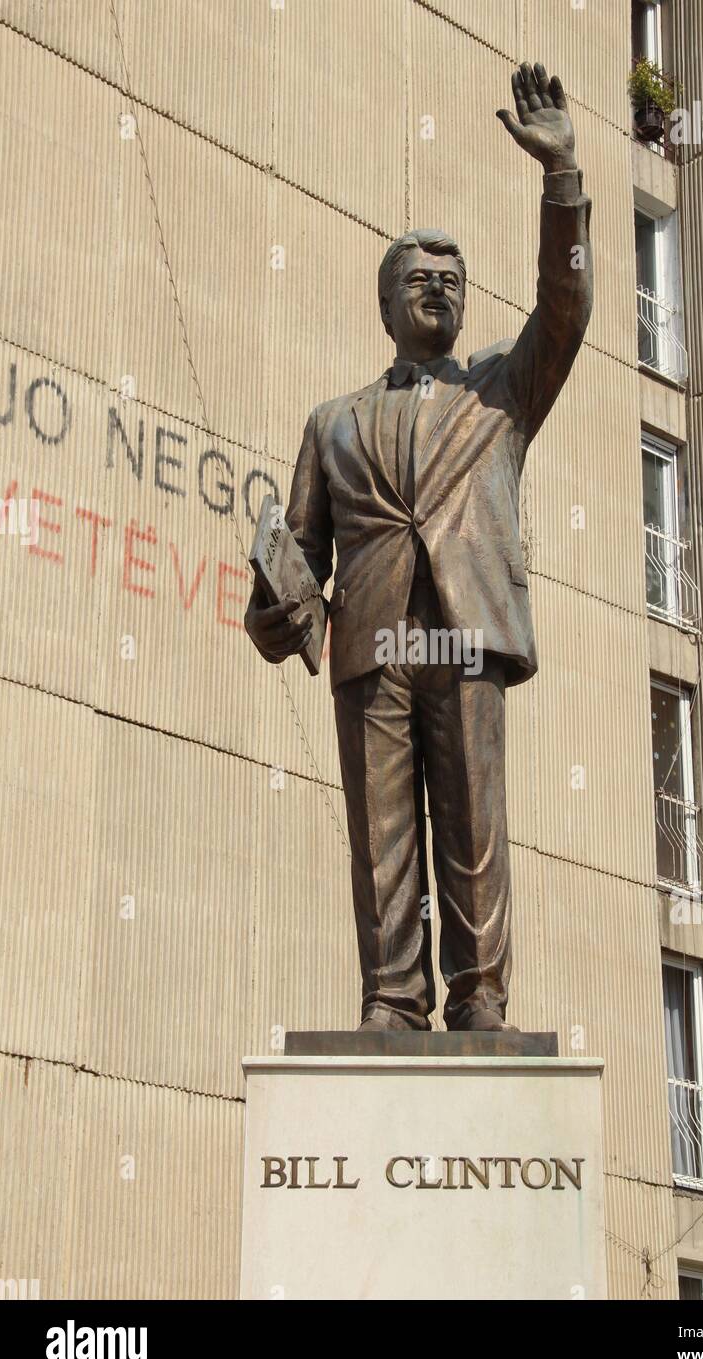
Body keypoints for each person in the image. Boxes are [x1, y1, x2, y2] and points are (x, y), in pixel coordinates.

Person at [245, 63, 593, 1032]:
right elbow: (300, 561)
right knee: (382, 834)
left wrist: (558, 176)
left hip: (465, 632)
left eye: (451, 281)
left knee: (475, 820)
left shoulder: (499, 394)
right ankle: (391, 999)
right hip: (374, 649)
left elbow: (563, 316)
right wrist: (274, 608)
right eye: (419, 280)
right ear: (387, 304)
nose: (438, 292)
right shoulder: (334, 423)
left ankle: (479, 995)